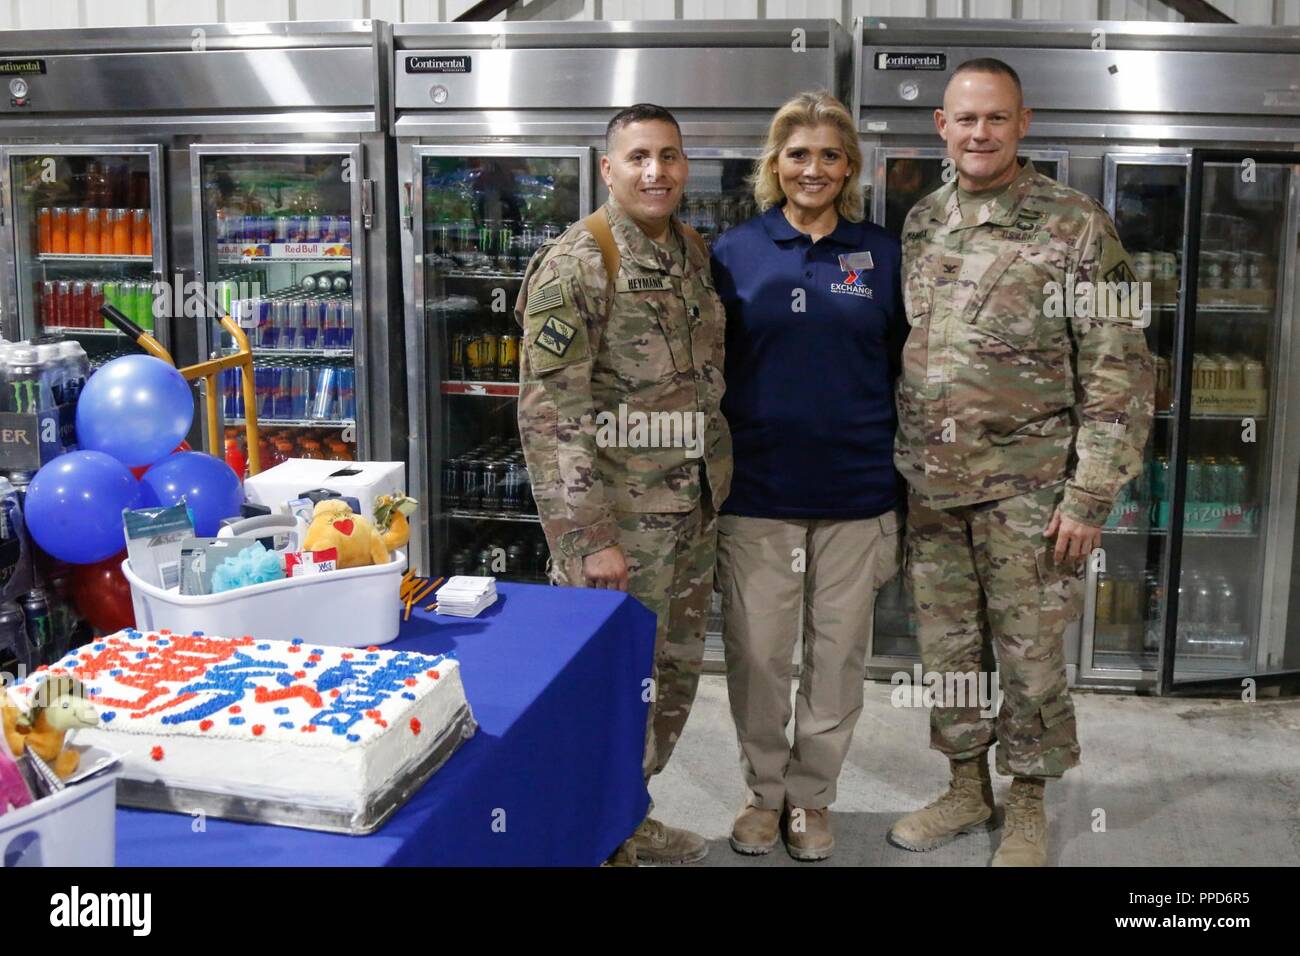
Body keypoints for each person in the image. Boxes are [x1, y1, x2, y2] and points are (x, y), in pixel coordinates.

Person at [887, 58, 1154, 866]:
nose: (980, 133)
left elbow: (1121, 366)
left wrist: (1090, 494)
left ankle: (1030, 800)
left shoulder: (1078, 225)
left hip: (1031, 493)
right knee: (948, 652)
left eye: (996, 118)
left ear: (1022, 123)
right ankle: (968, 786)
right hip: (933, 488)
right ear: (942, 127)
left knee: (1031, 658)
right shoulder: (922, 221)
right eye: (965, 119)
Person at [514, 103, 732, 866]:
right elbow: (550, 416)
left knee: (667, 682)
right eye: (638, 157)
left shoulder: (690, 251)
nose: (656, 171)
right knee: (605, 692)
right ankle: (586, 838)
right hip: (620, 530)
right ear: (607, 168)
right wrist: (588, 540)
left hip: (688, 513)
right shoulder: (581, 260)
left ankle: (627, 822)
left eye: (669, 156)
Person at [710, 91, 906, 862]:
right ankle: (763, 794)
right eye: (798, 155)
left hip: (859, 493)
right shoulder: (734, 252)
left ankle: (810, 800)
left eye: (829, 155)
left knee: (836, 659)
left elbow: (905, 368)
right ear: (775, 164)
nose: (813, 169)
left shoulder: (881, 254)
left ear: (849, 166)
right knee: (759, 657)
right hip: (758, 493)